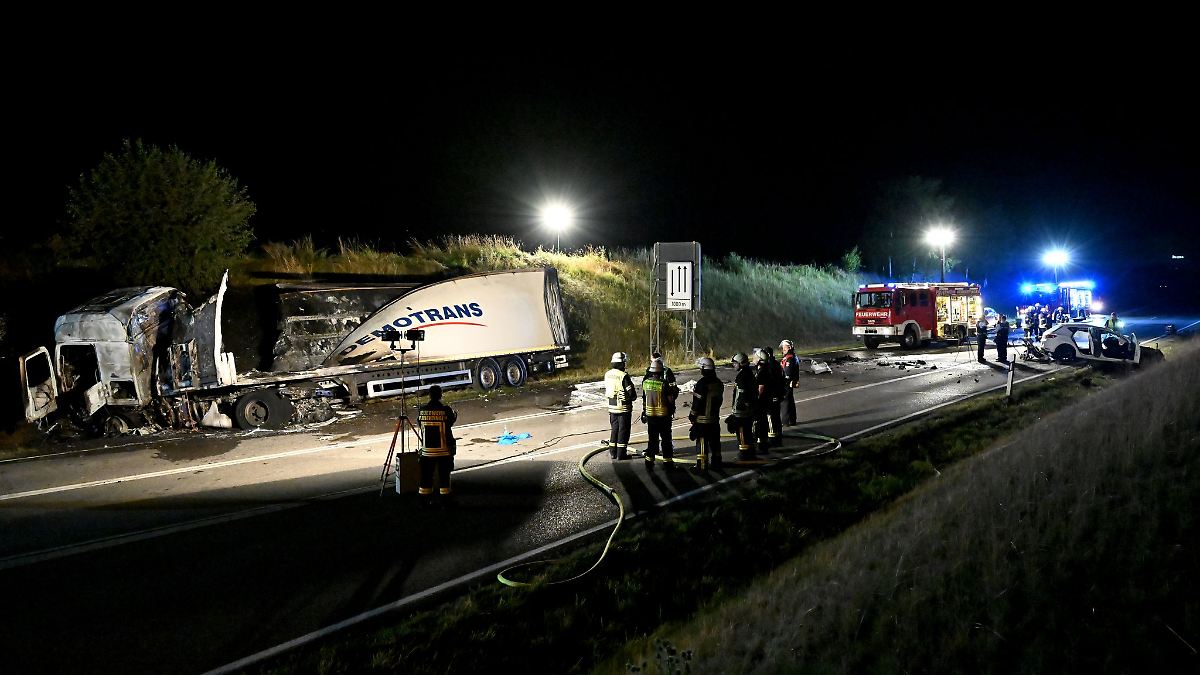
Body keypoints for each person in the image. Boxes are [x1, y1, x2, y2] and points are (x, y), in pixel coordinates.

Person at [417, 385, 457, 508]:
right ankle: (445, 501)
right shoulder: (445, 410)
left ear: (429, 395)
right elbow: (450, 423)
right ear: (440, 395)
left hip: (427, 451)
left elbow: (419, 424)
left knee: (426, 476)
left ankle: (424, 501)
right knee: (444, 476)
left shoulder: (422, 410)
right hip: (443, 451)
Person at [688, 356, 724, 469]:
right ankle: (717, 463)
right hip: (714, 419)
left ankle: (702, 466)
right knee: (715, 442)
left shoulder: (701, 384)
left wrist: (692, 416)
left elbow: (697, 403)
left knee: (702, 441)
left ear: (704, 368)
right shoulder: (718, 383)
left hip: (702, 420)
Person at [640, 358, 674, 467]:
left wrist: (644, 412)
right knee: (666, 441)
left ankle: (649, 462)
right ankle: (668, 463)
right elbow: (670, 400)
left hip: (651, 416)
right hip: (663, 417)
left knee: (652, 440)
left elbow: (644, 399)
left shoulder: (645, 383)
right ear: (660, 372)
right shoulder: (663, 383)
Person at [604, 352, 637, 461]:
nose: (625, 364)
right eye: (624, 362)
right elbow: (632, 394)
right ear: (621, 363)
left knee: (614, 429)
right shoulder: (623, 376)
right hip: (623, 408)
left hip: (612, 407)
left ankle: (613, 452)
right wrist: (631, 396)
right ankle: (621, 454)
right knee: (623, 431)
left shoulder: (608, 374)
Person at [728, 352, 758, 461]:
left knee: (742, 433)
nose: (733, 365)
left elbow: (742, 395)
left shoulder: (742, 376)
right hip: (748, 410)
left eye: (735, 363)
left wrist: (738, 410)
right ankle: (750, 452)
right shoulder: (749, 373)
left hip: (741, 411)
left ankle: (744, 454)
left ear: (741, 363)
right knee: (748, 432)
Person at [751, 348, 774, 453]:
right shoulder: (765, 370)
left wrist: (754, 400)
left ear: (760, 360)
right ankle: (763, 443)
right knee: (762, 421)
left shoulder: (762, 372)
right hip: (766, 400)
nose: (753, 358)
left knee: (760, 422)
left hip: (761, 402)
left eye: (755, 356)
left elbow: (761, 389)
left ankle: (762, 445)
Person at [646, 351, 679, 418]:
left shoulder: (649, 371)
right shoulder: (667, 371)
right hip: (664, 410)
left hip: (651, 411)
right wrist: (671, 405)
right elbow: (673, 389)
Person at [778, 339, 800, 426]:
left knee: (785, 401)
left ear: (789, 347)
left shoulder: (789, 359)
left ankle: (786, 421)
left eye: (784, 347)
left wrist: (782, 381)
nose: (783, 349)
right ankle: (792, 420)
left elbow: (787, 373)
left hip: (786, 383)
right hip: (788, 382)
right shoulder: (790, 357)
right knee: (790, 400)